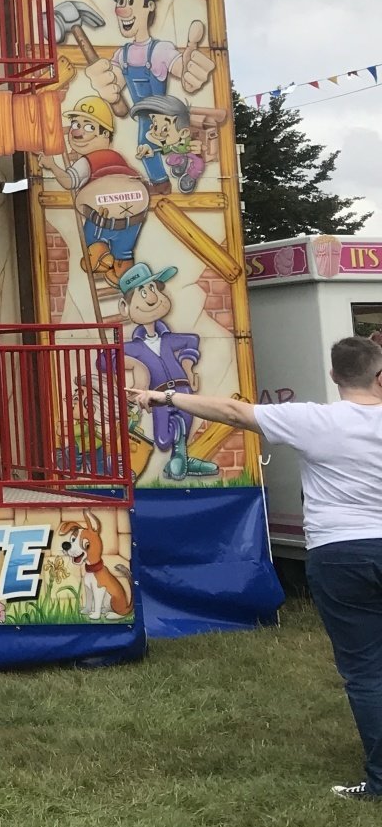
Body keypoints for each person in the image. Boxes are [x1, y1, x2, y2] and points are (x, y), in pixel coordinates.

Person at [129, 337, 382, 799]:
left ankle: (381, 780)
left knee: (366, 669)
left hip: (340, 552)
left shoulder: (316, 420)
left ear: (334, 377)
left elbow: (232, 412)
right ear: (380, 376)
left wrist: (164, 396)